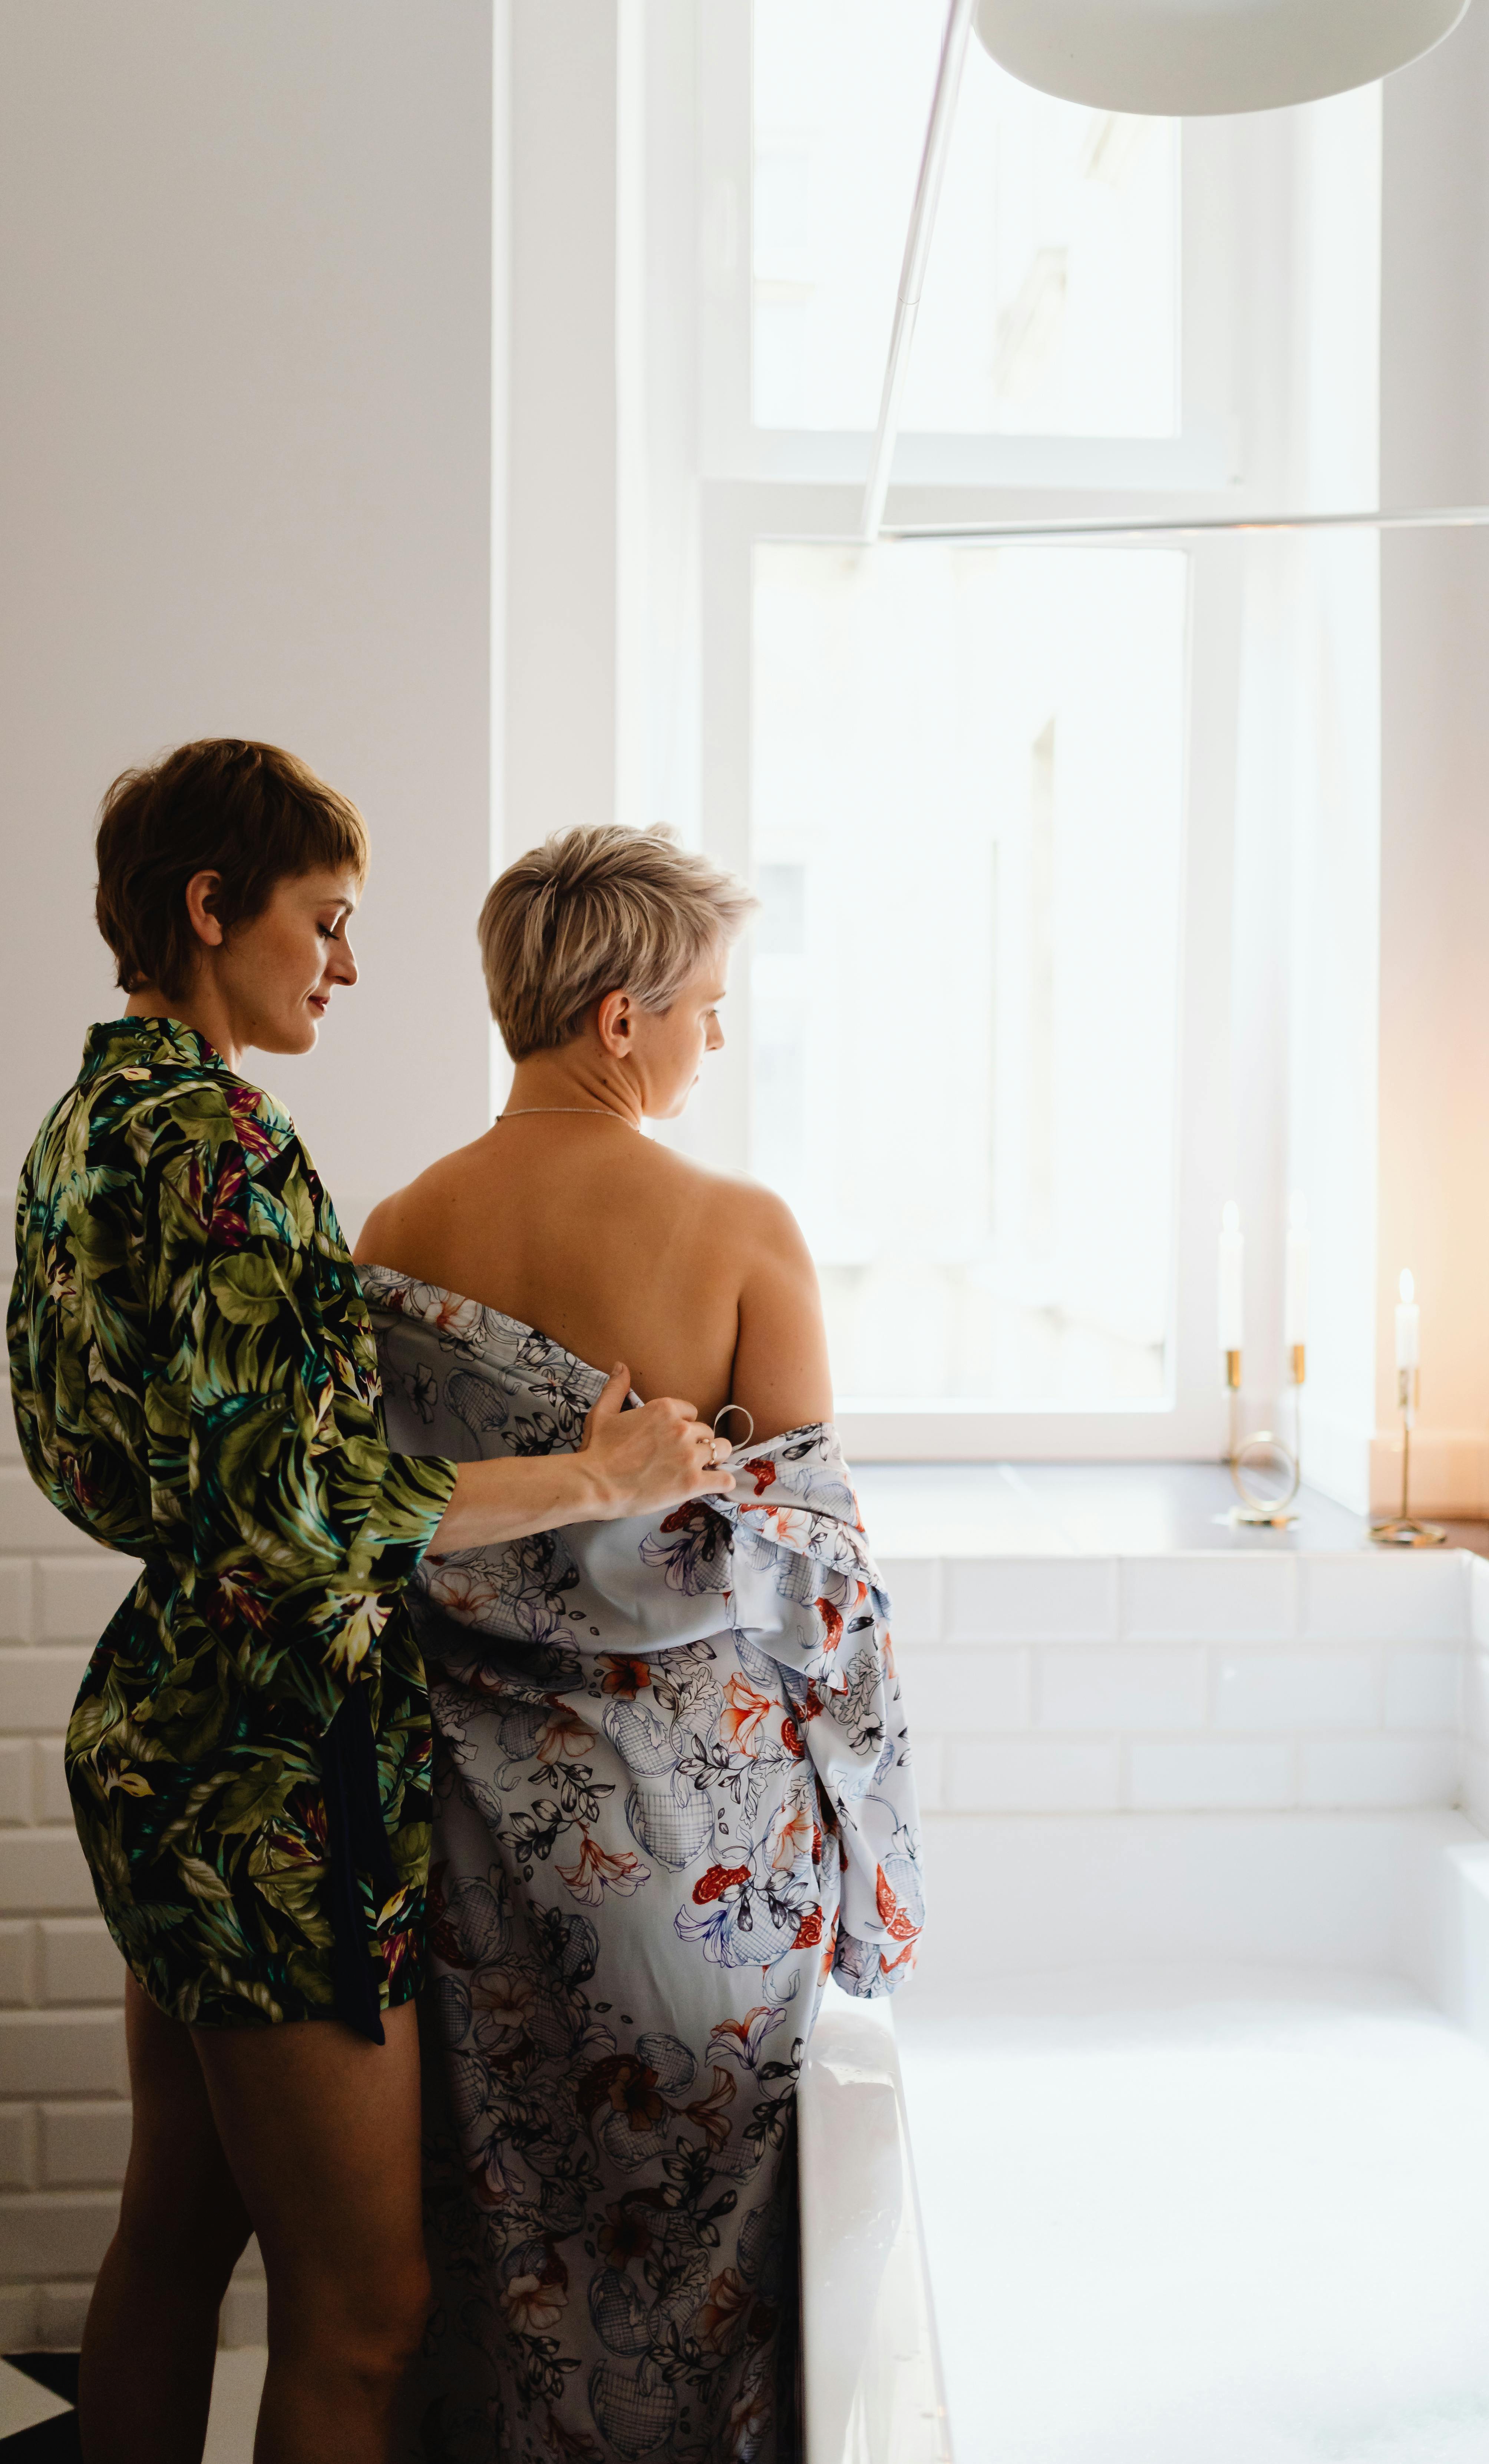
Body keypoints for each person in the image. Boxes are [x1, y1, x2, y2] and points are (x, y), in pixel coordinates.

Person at [6, 746, 735, 2464]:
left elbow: (99, 1455)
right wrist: (605, 1479)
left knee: (176, 2236)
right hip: (269, 1772)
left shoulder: (79, 1128)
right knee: (365, 2310)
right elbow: (315, 1505)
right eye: (325, 923)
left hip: (160, 1723)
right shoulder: (221, 1144)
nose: (345, 964)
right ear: (211, 908)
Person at [355, 823, 924, 2464]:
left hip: (476, 1840)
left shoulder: (395, 1228)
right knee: (704, 2267)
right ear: (621, 1017)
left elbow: (394, 1535)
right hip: (702, 1859)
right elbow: (824, 1594)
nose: (717, 1039)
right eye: (708, 1007)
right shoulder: (742, 1231)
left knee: (511, 2238)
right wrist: (880, 1871)